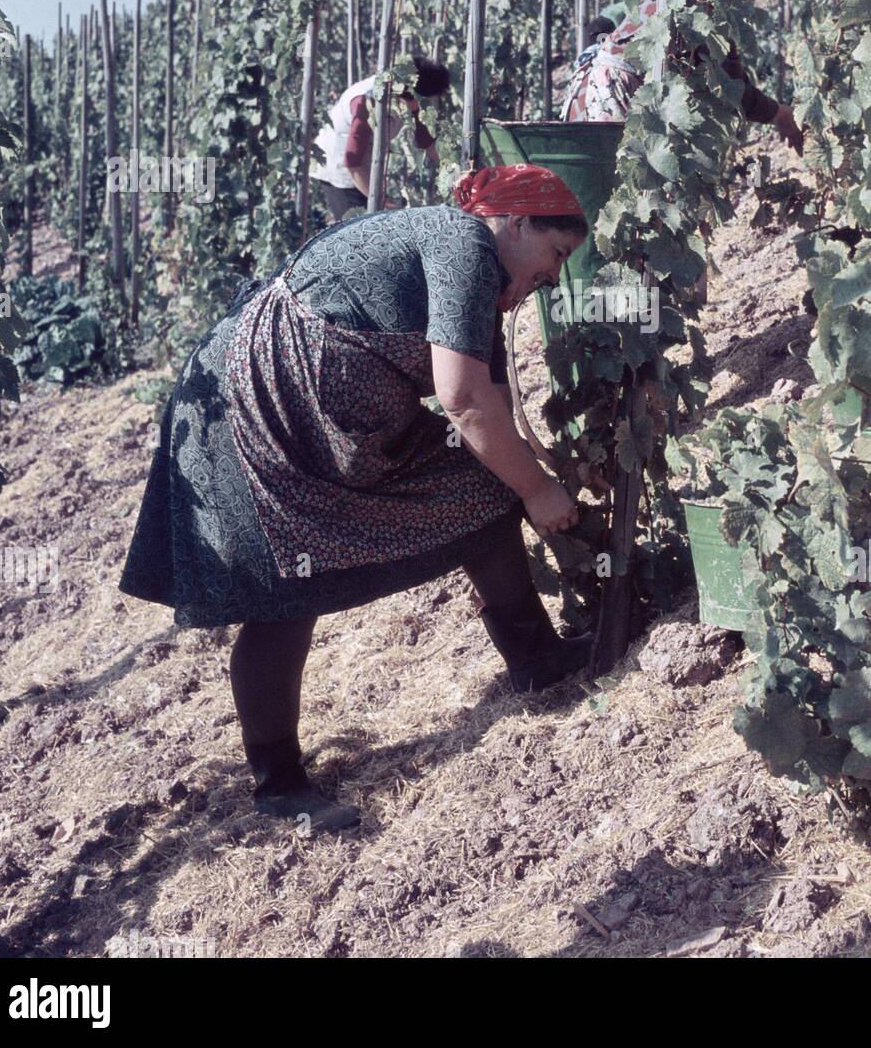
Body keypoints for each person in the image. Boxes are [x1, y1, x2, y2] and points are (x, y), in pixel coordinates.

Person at [118, 164, 592, 834]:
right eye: (554, 255)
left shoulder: (475, 264)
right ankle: (278, 785)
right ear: (515, 224)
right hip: (252, 412)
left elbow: (488, 397)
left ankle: (537, 660)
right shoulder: (463, 244)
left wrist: (534, 468)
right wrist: (540, 492)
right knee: (284, 588)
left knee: (483, 481)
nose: (552, 277)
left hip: (327, 424)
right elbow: (460, 399)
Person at [557, 0, 805, 155]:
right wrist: (778, 114)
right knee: (619, 183)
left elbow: (727, 82)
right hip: (616, 91)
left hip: (620, 90)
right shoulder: (703, 0)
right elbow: (730, 88)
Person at [312, 55, 449, 222]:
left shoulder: (408, 95)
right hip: (337, 164)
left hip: (364, 162)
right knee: (354, 229)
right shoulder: (365, 102)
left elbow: (426, 142)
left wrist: (453, 167)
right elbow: (352, 163)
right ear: (410, 91)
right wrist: (380, 200)